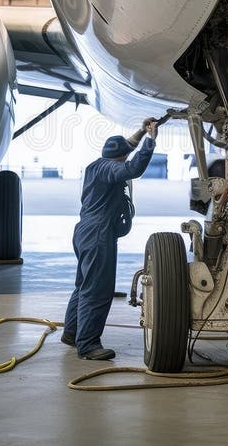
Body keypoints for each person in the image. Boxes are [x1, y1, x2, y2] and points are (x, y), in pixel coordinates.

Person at [62, 117, 159, 360]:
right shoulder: (110, 169)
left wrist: (141, 130)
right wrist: (151, 141)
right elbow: (132, 169)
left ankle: (72, 333)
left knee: (83, 285)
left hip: (85, 231)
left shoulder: (97, 164)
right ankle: (88, 345)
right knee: (98, 290)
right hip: (98, 234)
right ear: (121, 157)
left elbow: (125, 147)